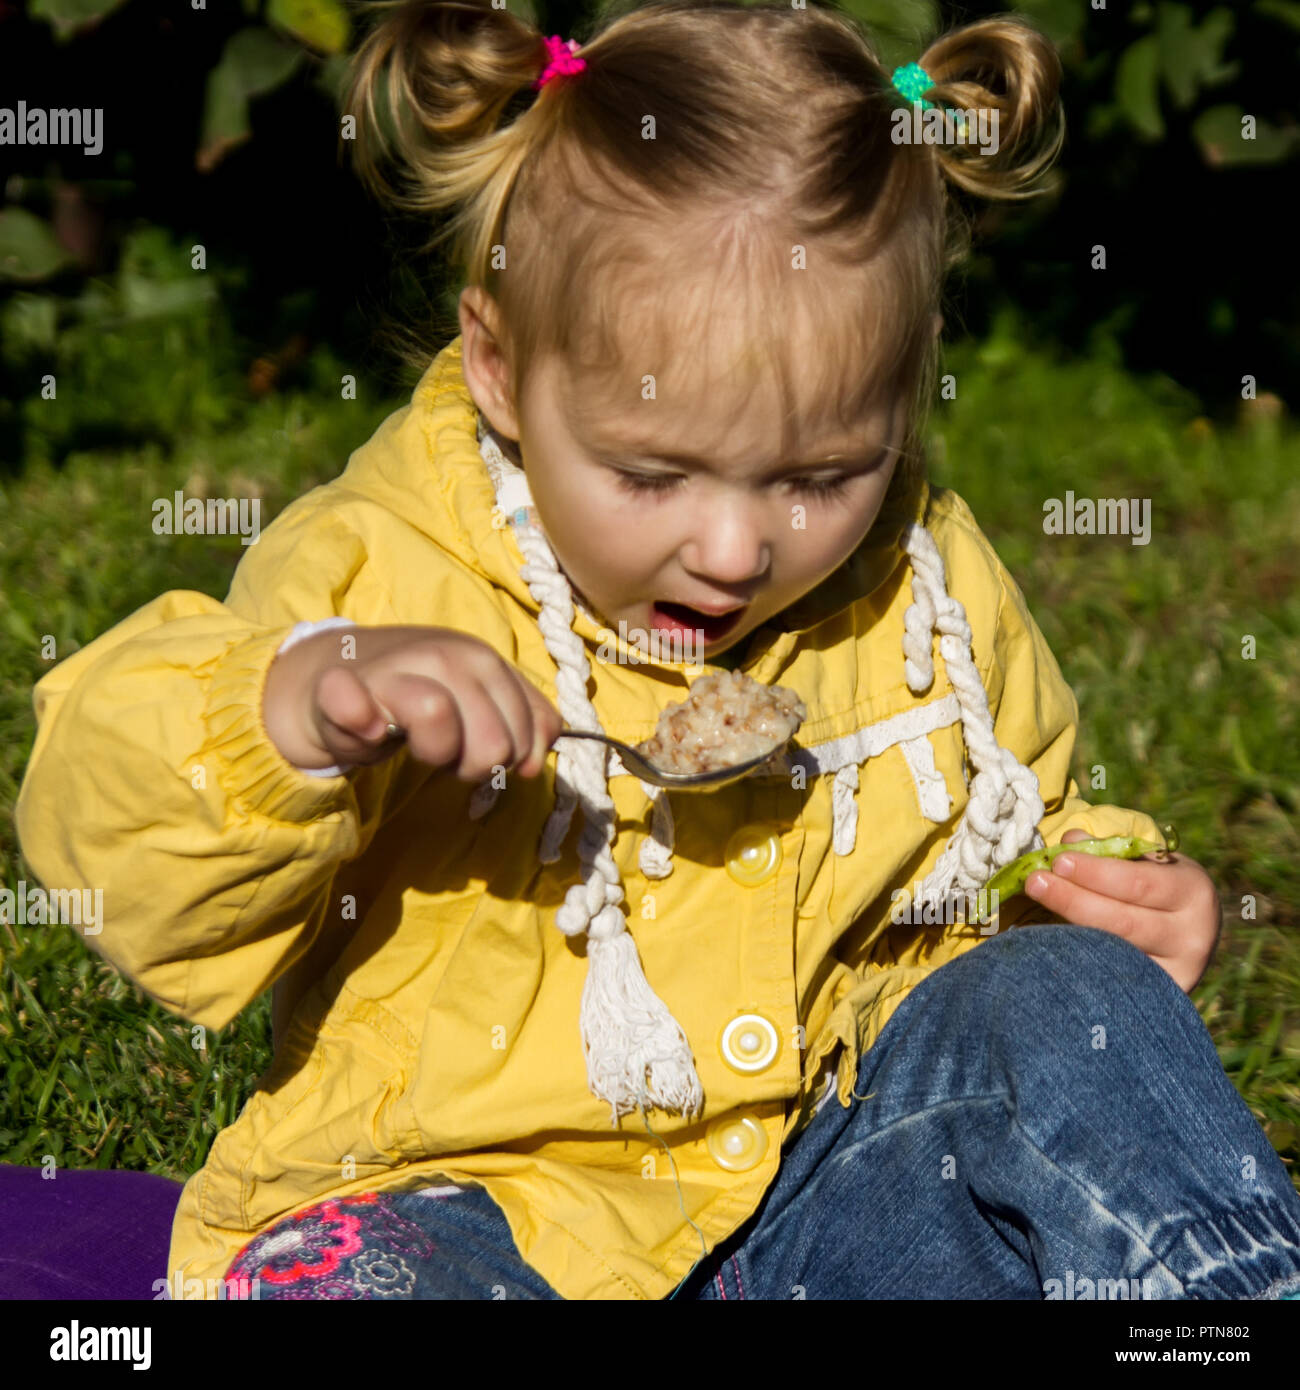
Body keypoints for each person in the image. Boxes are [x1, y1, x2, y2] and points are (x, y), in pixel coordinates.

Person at [17, 0, 1300, 1301]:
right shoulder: (384, 569)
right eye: (653, 474)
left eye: (821, 473)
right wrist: (291, 712)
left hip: (834, 1189)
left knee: (1065, 1001)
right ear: (503, 369)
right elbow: (119, 867)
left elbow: (1008, 840)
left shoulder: (921, 586)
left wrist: (1095, 911)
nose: (736, 549)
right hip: (467, 1205)